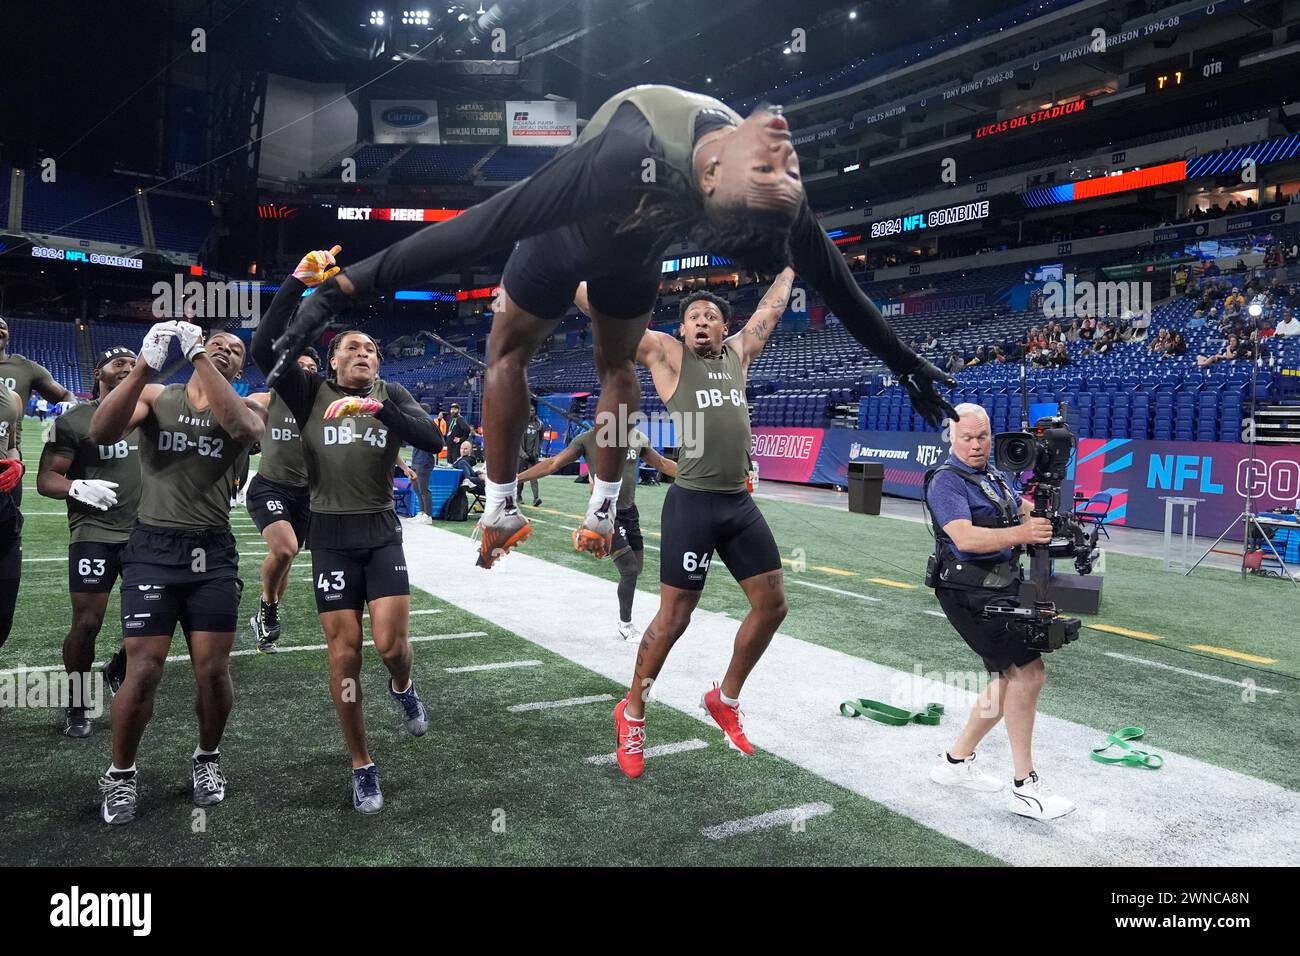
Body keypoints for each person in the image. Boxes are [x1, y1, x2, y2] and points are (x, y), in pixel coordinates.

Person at [265, 85, 955, 570]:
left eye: (788, 165)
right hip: (577, 233)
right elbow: (488, 223)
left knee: (513, 353)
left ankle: (546, 508)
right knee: (562, 360)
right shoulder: (630, 149)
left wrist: (905, 363)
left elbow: (837, 282)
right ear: (708, 174)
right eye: (783, 162)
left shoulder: (763, 191)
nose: (785, 150)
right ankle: (538, 504)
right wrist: (345, 286)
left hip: (615, 247)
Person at [253, 246, 445, 815]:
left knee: (391, 647)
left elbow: (431, 441)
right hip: (331, 535)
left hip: (382, 530)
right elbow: (265, 348)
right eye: (352, 347)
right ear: (331, 361)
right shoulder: (308, 392)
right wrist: (296, 284)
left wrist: (374, 411)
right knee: (345, 658)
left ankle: (403, 688)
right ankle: (362, 763)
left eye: (370, 349)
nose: (363, 353)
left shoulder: (391, 395)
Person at [611, 270, 795, 778]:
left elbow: (771, 311)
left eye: (711, 317)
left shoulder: (738, 355)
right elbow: (611, 317)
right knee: (673, 619)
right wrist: (568, 273)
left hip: (737, 504)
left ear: (723, 328)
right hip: (692, 504)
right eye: (693, 317)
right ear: (683, 328)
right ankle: (631, 713)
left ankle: (725, 698)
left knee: (773, 605)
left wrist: (790, 267)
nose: (701, 323)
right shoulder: (668, 356)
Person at [89, 321, 267, 825]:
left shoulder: (249, 404)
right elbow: (101, 433)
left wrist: (199, 359)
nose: (228, 354)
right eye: (218, 346)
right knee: (143, 668)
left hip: (212, 551)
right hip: (153, 546)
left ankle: (207, 760)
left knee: (212, 669)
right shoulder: (153, 393)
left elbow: (246, 432)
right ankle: (121, 773)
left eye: (235, 351)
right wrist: (146, 360)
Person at [923, 404, 1074, 820]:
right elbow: (966, 538)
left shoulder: (993, 476)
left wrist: (1051, 521)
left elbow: (1022, 508)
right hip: (966, 590)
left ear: (992, 436)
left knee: (1006, 679)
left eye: (982, 437)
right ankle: (1025, 787)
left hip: (1000, 585)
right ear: (951, 438)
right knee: (1029, 672)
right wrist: (1023, 532)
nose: (975, 445)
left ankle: (956, 762)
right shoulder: (945, 481)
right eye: (967, 438)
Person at [36, 348, 139, 736]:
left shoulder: (150, 416)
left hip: (147, 534)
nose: (127, 369)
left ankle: (117, 669)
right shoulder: (75, 418)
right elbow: (46, 479)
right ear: (98, 373)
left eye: (133, 364)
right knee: (87, 623)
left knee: (149, 626)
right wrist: (76, 486)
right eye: (118, 364)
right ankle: (78, 702)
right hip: (93, 533)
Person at [517, 416, 678, 642]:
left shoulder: (637, 438)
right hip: (606, 514)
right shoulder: (587, 439)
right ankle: (625, 624)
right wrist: (516, 478)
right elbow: (553, 464)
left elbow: (661, 463)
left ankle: (613, 576)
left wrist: (697, 478)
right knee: (630, 569)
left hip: (630, 512)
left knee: (636, 569)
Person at [245, 345, 321, 653]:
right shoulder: (266, 400)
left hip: (304, 495)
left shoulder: (321, 411)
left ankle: (263, 620)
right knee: (286, 548)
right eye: (298, 366)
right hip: (269, 487)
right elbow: (229, 409)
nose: (304, 372)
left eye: (311, 369)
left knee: (287, 562)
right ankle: (268, 607)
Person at [0, 315, 77, 507]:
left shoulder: (24, 368)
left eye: (2, 326)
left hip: (8, 461)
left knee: (8, 526)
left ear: (8, 336)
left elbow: (66, 395)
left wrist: (67, 410)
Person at [0, 384, 23, 652]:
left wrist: (17, 464)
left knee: (3, 613)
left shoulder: (11, 397)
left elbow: (12, 447)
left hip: (3, 517)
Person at [410, 403, 438, 522]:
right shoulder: (418, 425)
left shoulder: (430, 427)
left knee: (423, 489)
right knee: (416, 488)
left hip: (424, 461)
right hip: (416, 459)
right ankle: (421, 512)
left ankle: (428, 515)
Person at [517, 404, 544, 507]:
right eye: (530, 411)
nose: (532, 412)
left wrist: (537, 451)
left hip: (533, 456)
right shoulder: (520, 424)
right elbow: (517, 442)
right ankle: (518, 496)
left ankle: (536, 498)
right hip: (522, 456)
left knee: (534, 477)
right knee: (520, 478)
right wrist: (524, 455)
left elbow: (541, 438)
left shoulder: (539, 424)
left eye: (533, 410)